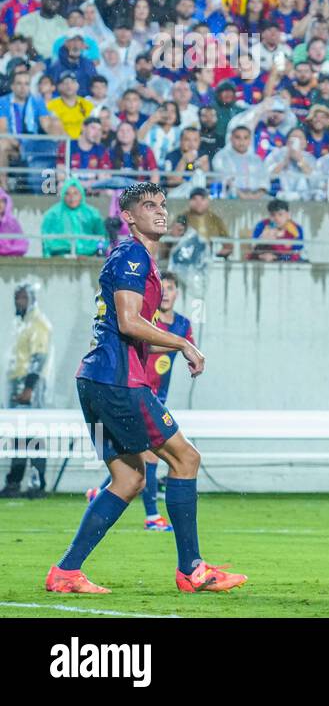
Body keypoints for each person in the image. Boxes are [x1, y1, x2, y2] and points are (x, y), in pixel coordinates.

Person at [45, 182, 245, 595]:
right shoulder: (133, 255)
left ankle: (66, 572)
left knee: (128, 478)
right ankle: (192, 569)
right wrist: (183, 342)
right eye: (148, 206)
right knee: (185, 458)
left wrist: (175, 346)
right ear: (129, 217)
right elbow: (129, 322)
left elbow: (132, 332)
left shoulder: (137, 259)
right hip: (119, 381)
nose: (159, 211)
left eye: (162, 205)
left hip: (97, 380)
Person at [84, 271, 195, 531]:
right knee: (152, 458)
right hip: (132, 392)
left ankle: (99, 494)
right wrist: (178, 344)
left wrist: (185, 348)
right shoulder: (141, 318)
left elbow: (186, 345)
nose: (165, 292)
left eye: (171, 287)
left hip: (156, 396)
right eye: (162, 287)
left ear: (177, 293)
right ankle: (152, 516)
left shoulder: (182, 324)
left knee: (133, 469)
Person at [1, 284, 52, 499]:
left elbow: (39, 357)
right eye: (16, 297)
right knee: (18, 434)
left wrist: (29, 388)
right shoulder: (22, 324)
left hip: (30, 385)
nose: (17, 302)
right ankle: (15, 480)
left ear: (31, 299)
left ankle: (37, 482)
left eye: (21, 298)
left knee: (34, 434)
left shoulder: (37, 323)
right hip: (18, 382)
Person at [40, 176, 105, 257]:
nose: (72, 197)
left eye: (75, 193)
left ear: (81, 194)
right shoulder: (52, 214)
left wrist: (92, 252)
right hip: (60, 258)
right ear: (63, 195)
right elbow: (46, 242)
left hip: (88, 258)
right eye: (67, 194)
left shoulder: (92, 214)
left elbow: (102, 237)